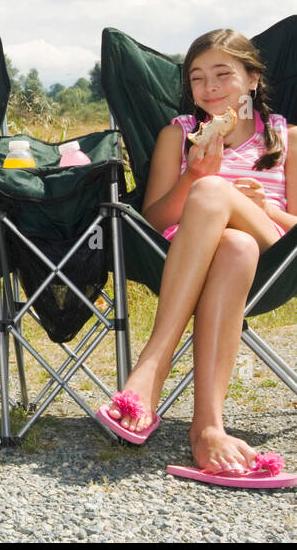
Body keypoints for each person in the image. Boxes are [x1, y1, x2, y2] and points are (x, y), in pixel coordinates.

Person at [97, 29, 296, 486]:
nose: (210, 88)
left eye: (223, 75)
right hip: (196, 250)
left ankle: (151, 367)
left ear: (252, 79)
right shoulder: (179, 135)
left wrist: (259, 206)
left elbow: (294, 224)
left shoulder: (287, 137)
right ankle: (207, 429)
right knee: (231, 240)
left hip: (274, 251)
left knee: (219, 199)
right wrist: (192, 179)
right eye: (198, 78)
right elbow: (153, 217)